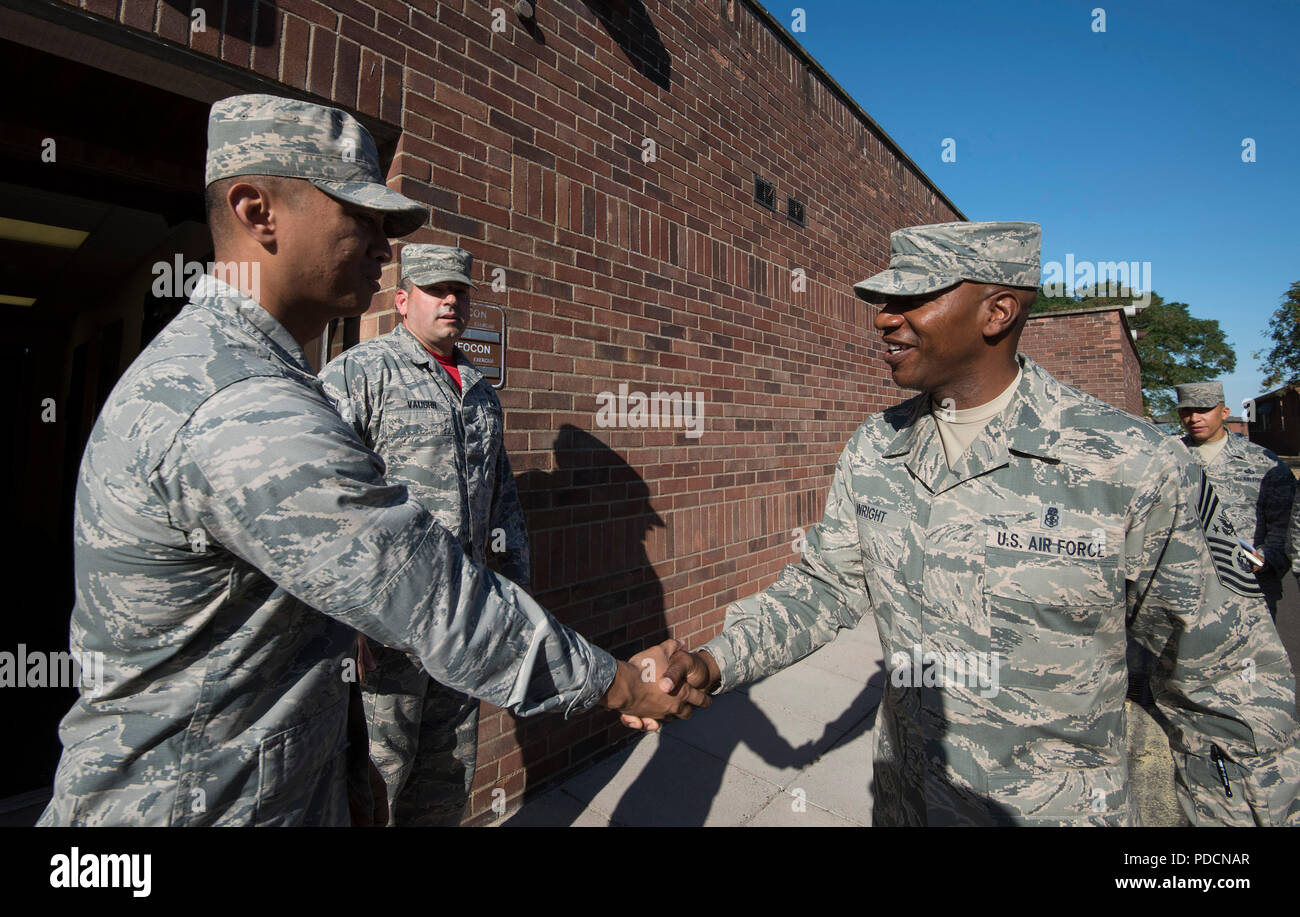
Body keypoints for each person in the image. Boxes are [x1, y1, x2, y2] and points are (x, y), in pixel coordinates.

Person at [38, 94, 705, 827]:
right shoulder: (239, 404)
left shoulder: (263, 376)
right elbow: (418, 588)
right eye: (361, 219)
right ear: (258, 211)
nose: (386, 249)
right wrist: (617, 682)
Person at [647, 221, 1300, 826]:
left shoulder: (1130, 464)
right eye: (883, 301)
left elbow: (1233, 698)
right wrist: (712, 662)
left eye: (914, 299)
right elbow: (827, 585)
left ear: (998, 311)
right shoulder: (877, 446)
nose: (885, 319)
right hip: (906, 804)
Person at [320, 244, 526, 825]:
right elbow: (323, 501)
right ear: (403, 299)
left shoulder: (480, 392)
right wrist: (344, 615)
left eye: (459, 290)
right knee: (374, 779)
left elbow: (503, 503)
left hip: (462, 622)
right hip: (386, 631)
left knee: (447, 776)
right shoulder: (360, 374)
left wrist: (511, 597)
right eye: (437, 289)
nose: (451, 300)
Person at [1175, 382, 1295, 618]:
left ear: (1224, 412)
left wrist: (1267, 557)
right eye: (1186, 411)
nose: (1194, 418)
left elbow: (1287, 524)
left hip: (1247, 587)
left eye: (1203, 410)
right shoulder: (1167, 456)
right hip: (1183, 587)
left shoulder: (1262, 462)